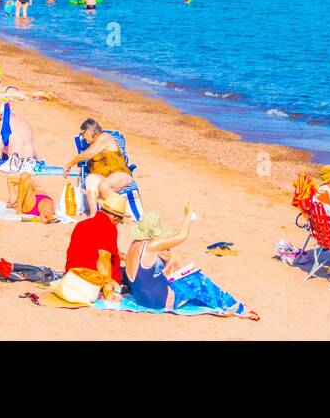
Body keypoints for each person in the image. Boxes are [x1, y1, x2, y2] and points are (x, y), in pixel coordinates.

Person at [125, 206, 260, 319]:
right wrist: (188, 216)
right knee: (198, 280)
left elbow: (147, 274)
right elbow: (181, 236)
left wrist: (166, 261)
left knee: (175, 269)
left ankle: (228, 305)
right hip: (157, 301)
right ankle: (237, 308)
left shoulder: (134, 245)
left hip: (141, 299)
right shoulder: (152, 245)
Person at [64, 119, 132, 214]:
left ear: (89, 130)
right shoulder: (93, 146)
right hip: (104, 176)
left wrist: (68, 165)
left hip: (120, 173)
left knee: (103, 186)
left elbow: (86, 155)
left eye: (83, 133)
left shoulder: (105, 137)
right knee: (90, 179)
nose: (83, 138)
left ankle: (121, 214)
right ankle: (93, 215)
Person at [64, 191, 127, 287]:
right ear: (116, 219)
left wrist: (120, 256)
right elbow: (103, 261)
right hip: (91, 282)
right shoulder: (109, 227)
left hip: (72, 277)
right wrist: (108, 291)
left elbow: (91, 248)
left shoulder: (82, 225)